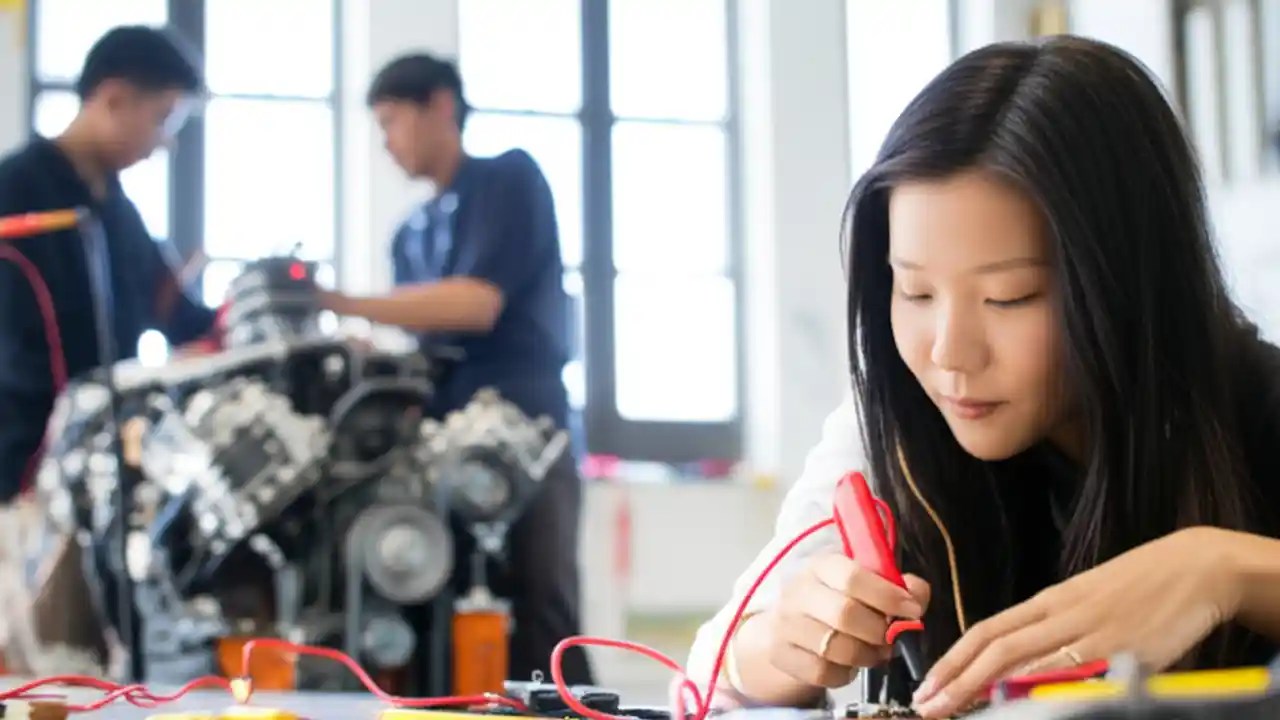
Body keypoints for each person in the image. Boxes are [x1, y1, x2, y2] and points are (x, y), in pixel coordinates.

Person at [686, 35, 1280, 719]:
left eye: (1010, 298)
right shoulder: (896, 421)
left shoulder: (1257, 408)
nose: (949, 353)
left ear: (1126, 286)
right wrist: (774, 649)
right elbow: (714, 666)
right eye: (914, 292)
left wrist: (1224, 571)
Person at [317, 53, 593, 685]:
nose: (386, 143)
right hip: (439, 447)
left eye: (391, 121)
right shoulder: (409, 234)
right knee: (434, 604)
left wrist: (336, 301)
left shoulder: (507, 180)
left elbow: (476, 303)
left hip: (524, 435)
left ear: (441, 106)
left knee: (540, 606)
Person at [0, 26, 217, 503]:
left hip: (97, 471)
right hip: (20, 472)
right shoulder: (14, 192)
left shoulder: (120, 215)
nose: (165, 142)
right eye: (161, 119)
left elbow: (178, 318)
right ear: (114, 98)